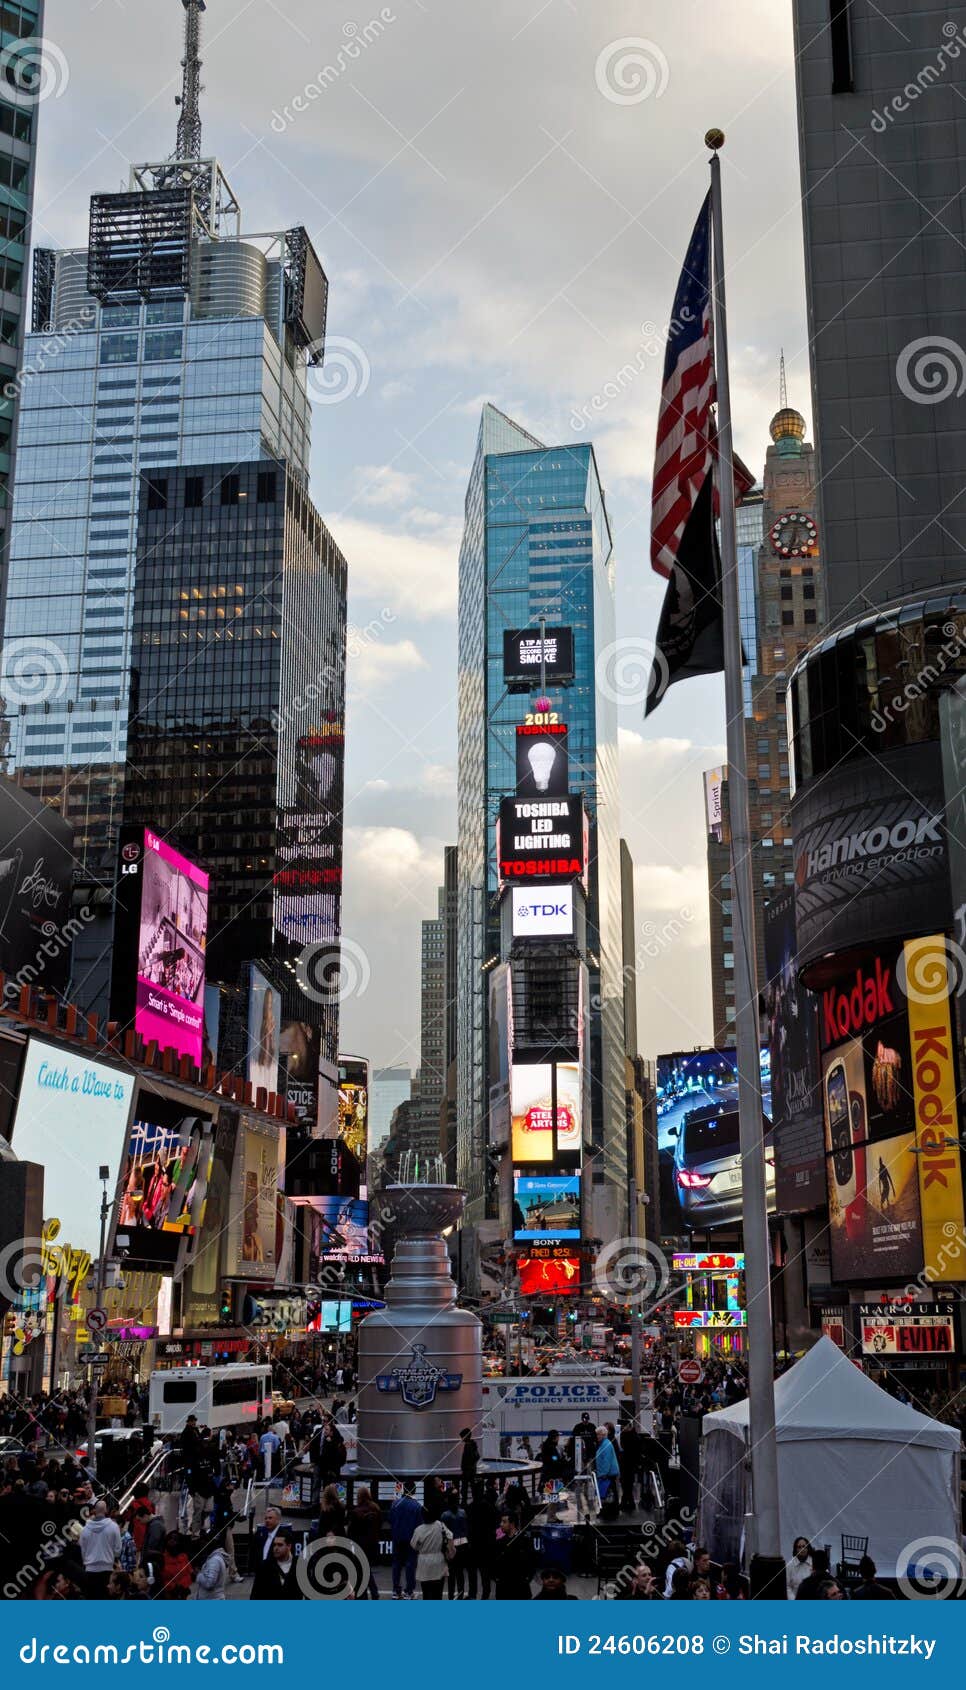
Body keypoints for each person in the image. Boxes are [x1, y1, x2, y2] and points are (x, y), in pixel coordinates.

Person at [79, 1499, 122, 1599]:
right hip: (107, 1571)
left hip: (90, 1571)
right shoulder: (114, 1527)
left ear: (94, 1510)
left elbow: (82, 1551)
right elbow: (118, 1551)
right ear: (106, 1510)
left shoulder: (85, 1529)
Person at [389, 1482, 422, 1600]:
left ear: (404, 1490)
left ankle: (396, 1591)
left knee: (396, 1564)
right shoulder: (417, 1506)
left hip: (397, 1538)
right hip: (411, 1539)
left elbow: (390, 1519)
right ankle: (409, 1592)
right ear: (414, 1491)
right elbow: (419, 1525)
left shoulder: (395, 1504)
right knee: (410, 1564)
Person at [348, 1488, 383, 1600]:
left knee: (362, 1569)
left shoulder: (356, 1512)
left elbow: (351, 1532)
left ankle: (369, 1593)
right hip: (373, 1544)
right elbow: (380, 1525)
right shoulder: (376, 1509)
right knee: (365, 1568)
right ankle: (373, 1592)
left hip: (360, 1545)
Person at [466, 1482, 498, 1601]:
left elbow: (467, 1527)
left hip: (472, 1545)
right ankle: (485, 1594)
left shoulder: (469, 1508)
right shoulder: (489, 1507)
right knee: (485, 1573)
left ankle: (472, 1594)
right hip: (486, 1545)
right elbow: (495, 1524)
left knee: (472, 1573)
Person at [410, 1511, 453, 1600]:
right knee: (438, 1593)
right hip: (439, 1560)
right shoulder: (440, 1525)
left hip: (424, 1563)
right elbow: (450, 1535)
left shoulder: (419, 1529)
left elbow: (414, 1545)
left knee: (426, 1592)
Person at [493, 1513, 535, 1601]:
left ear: (512, 1524)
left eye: (504, 1522)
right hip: (503, 1590)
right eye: (501, 1521)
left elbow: (532, 1562)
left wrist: (527, 1578)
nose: (501, 1524)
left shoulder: (525, 1540)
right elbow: (494, 1562)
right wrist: (497, 1578)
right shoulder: (500, 1542)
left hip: (520, 1589)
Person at [249, 1506, 284, 1600]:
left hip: (275, 1579)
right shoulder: (260, 1533)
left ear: (278, 1519)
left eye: (270, 1518)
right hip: (260, 1578)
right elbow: (254, 1551)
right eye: (266, 1518)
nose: (267, 1520)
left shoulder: (284, 1535)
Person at [440, 1489, 469, 1600]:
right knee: (460, 1573)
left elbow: (443, 1534)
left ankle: (451, 1597)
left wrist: (444, 1549)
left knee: (451, 1574)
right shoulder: (463, 1513)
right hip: (462, 1546)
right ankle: (460, 1596)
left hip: (450, 1547)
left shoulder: (444, 1515)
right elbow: (465, 1530)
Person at [259, 1530, 302, 1599]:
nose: (276, 1548)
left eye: (280, 1545)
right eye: (274, 1545)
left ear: (289, 1546)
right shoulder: (265, 1566)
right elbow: (256, 1594)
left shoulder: (299, 1565)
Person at [594, 1425, 620, 1518]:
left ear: (604, 1435)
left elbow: (606, 1461)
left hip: (608, 1474)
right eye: (597, 1434)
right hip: (606, 1473)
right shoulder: (604, 1443)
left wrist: (603, 1473)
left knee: (608, 1493)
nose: (597, 1436)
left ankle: (610, 1513)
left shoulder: (606, 1444)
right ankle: (607, 1511)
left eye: (599, 1434)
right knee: (608, 1493)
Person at [157, 1531, 194, 1599]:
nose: (172, 1541)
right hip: (168, 1594)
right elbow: (159, 1579)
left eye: (175, 1539)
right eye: (170, 1538)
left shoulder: (184, 1556)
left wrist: (183, 1585)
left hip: (183, 1593)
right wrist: (172, 1586)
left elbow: (189, 1573)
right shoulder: (161, 1558)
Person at [195, 1536, 230, 1600]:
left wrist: (198, 1574)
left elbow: (209, 1584)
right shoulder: (215, 1559)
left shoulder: (214, 1561)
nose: (202, 1547)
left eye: (203, 1544)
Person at [459, 1427, 479, 1506]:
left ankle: (464, 1504)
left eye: (462, 1437)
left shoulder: (468, 1446)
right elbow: (477, 1456)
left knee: (464, 1489)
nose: (461, 1439)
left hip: (467, 1472)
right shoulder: (473, 1444)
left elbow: (467, 1459)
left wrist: (466, 1467)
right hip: (472, 1471)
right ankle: (474, 1503)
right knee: (473, 1489)